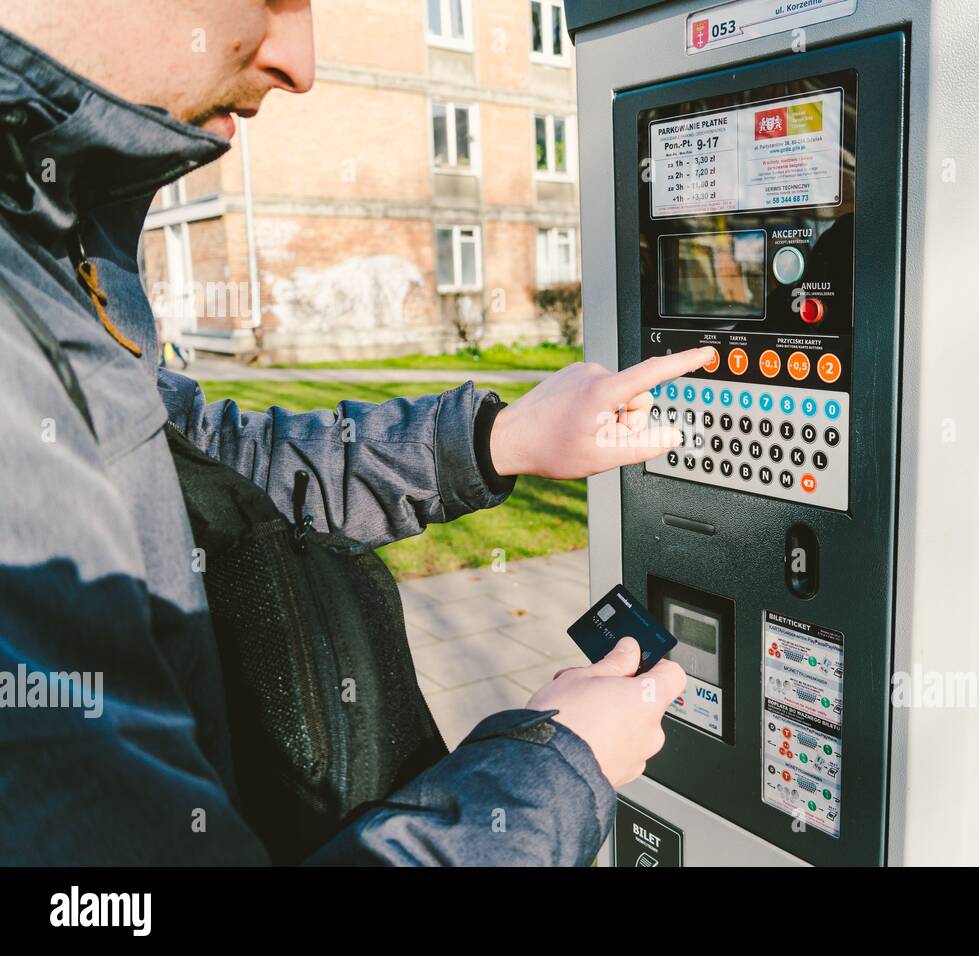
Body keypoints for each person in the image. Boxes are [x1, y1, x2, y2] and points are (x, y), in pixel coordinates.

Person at [0, 1, 706, 865]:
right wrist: (558, 769)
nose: (301, 60)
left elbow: (212, 476)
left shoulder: (48, 255)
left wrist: (499, 439)